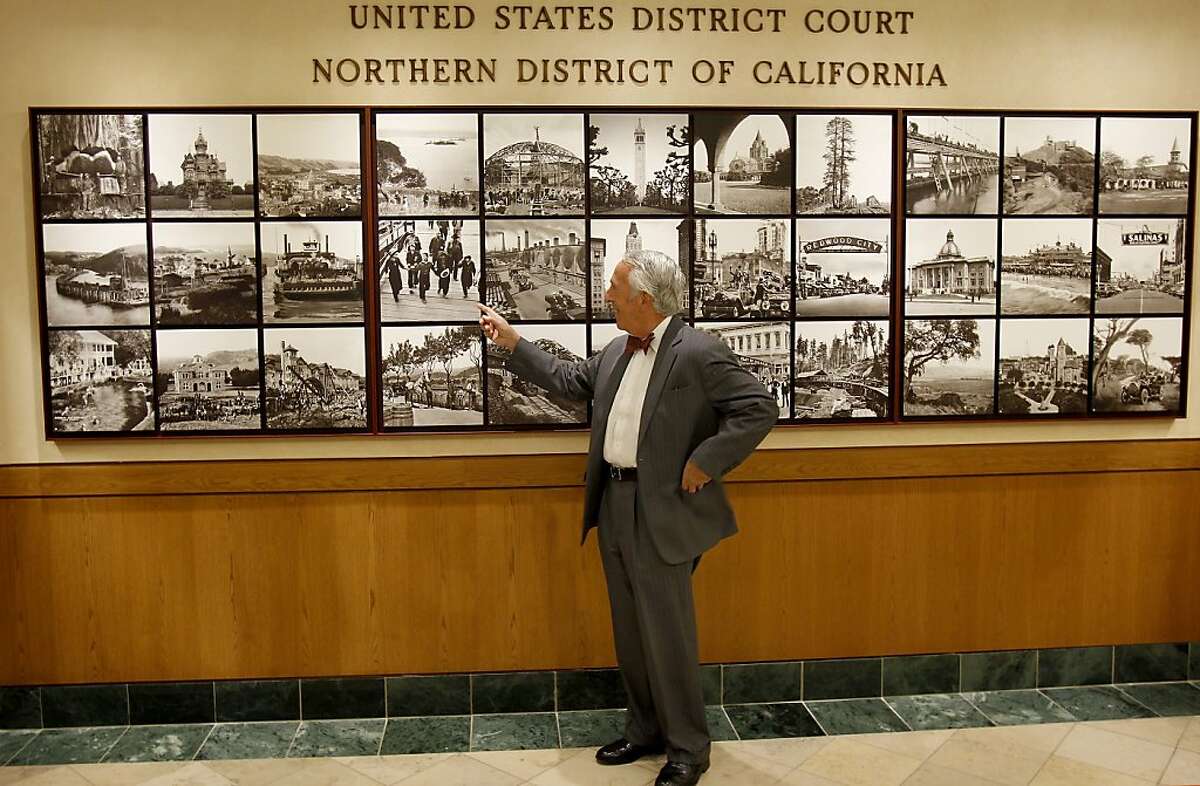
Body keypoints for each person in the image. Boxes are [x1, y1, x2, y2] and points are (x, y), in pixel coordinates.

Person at [477, 250, 776, 786]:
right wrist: (514, 342)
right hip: (613, 504)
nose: (607, 295)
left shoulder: (698, 351)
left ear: (645, 298)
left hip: (662, 508)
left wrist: (705, 462)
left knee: (667, 634)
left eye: (615, 286)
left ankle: (689, 748)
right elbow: (569, 379)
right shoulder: (617, 349)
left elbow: (758, 407)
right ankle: (645, 731)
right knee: (631, 631)